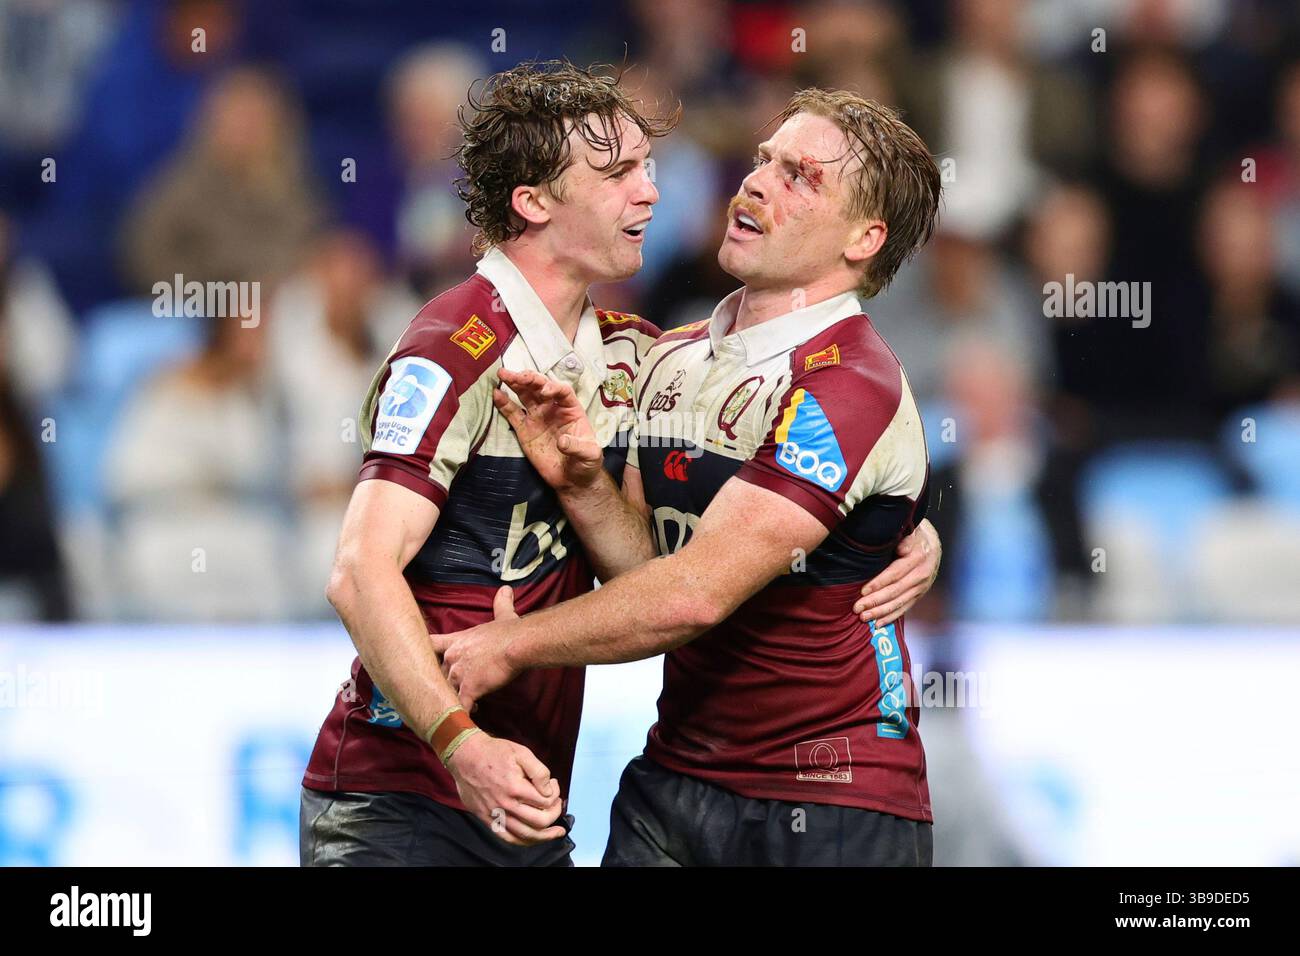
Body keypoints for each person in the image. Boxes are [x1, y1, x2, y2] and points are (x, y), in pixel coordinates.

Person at [302, 63, 939, 867]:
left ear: (863, 238)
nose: (654, 194)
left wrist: (903, 522)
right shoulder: (462, 346)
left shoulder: (634, 360)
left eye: (798, 176)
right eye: (618, 174)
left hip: (625, 798)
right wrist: (461, 741)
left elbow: (684, 584)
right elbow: (359, 572)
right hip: (411, 788)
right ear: (533, 202)